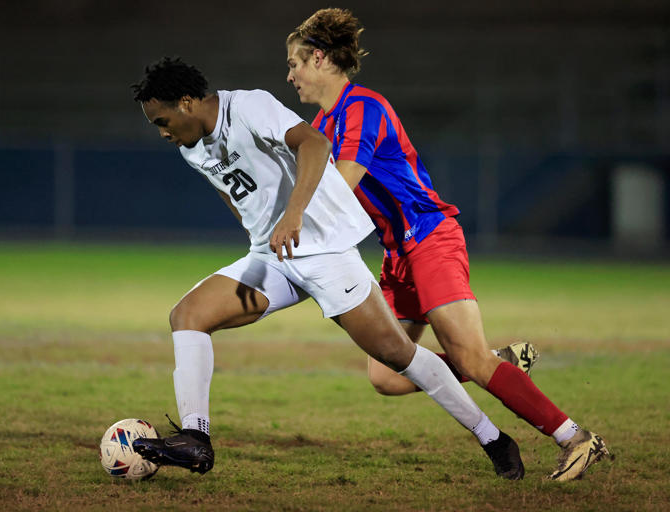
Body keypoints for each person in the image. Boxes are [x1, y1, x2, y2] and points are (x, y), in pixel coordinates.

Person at [129, 57, 524, 478]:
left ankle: (493, 438)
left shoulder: (247, 107)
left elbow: (315, 143)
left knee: (397, 355)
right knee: (187, 316)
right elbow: (233, 193)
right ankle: (196, 438)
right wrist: (259, 237)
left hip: (324, 250)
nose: (163, 132)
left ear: (186, 102)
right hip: (273, 257)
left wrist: (294, 214)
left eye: (162, 120)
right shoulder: (191, 148)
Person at [285, 8, 609, 481]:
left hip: (429, 237)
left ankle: (576, 439)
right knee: (386, 375)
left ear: (319, 59)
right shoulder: (326, 124)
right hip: (398, 254)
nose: (290, 75)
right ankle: (496, 362)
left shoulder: (361, 108)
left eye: (295, 63)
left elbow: (343, 185)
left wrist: (291, 216)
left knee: (468, 357)